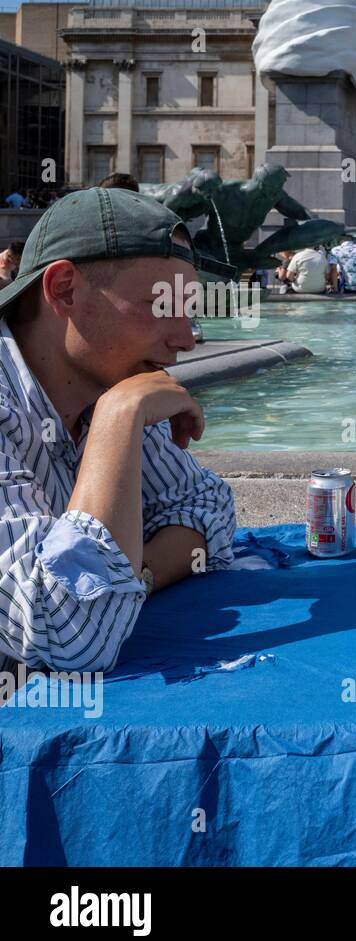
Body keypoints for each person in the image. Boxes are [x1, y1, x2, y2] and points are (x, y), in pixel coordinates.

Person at [0, 187, 236, 676]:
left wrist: (133, 579)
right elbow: (77, 639)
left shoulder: (105, 378)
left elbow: (208, 509)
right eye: (161, 304)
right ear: (64, 289)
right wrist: (117, 418)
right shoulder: (118, 398)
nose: (187, 339)